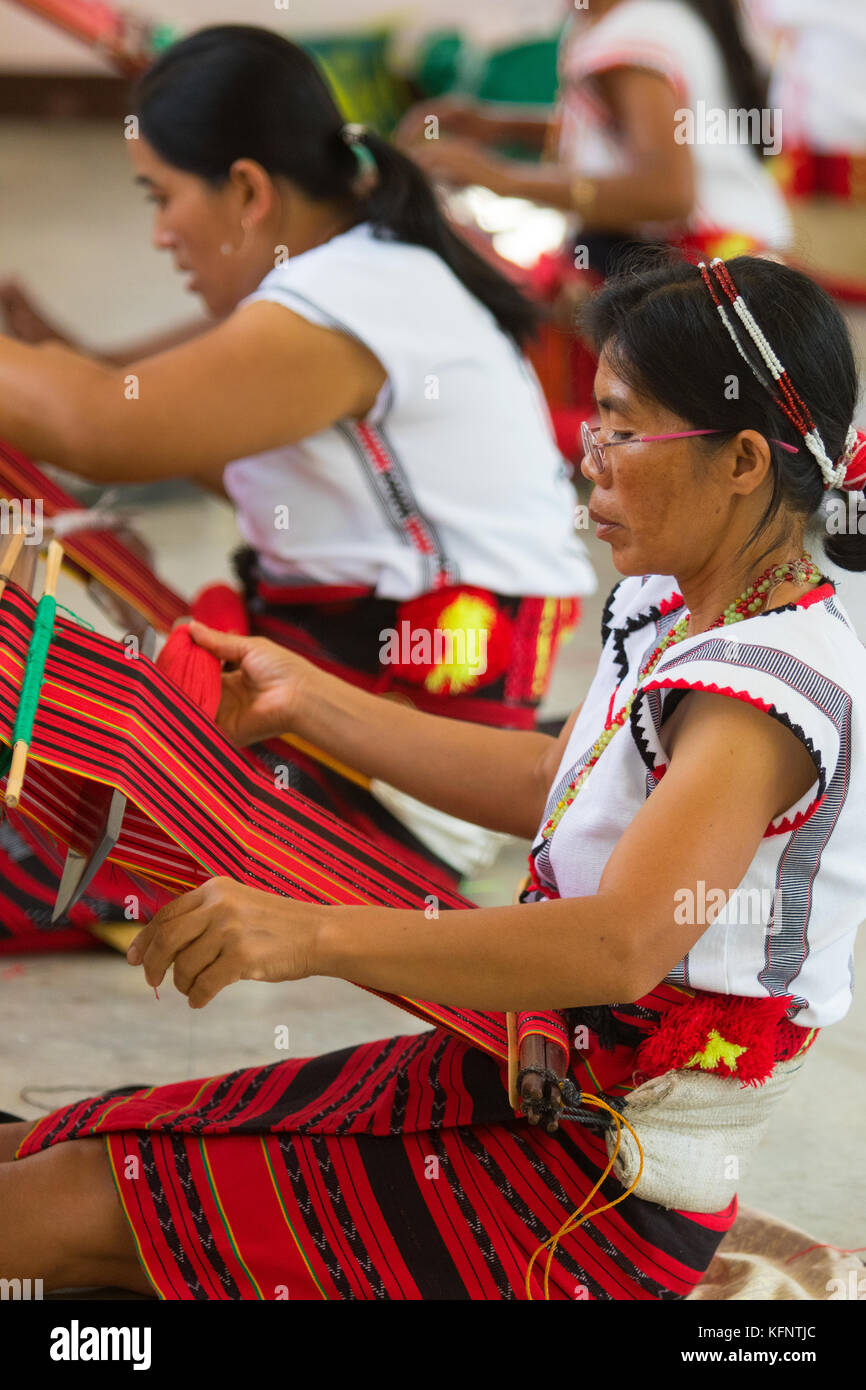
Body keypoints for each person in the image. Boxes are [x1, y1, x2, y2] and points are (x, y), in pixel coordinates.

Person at [2, 251, 864, 1299]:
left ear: (738, 461)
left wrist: (308, 930)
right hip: (530, 1070)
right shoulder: (682, 607)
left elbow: (618, 943)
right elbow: (560, 776)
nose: (588, 457)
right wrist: (307, 700)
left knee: (52, 1208)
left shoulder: (757, 692)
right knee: (59, 1144)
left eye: (623, 427)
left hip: (596, 1183)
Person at [0, 26, 594, 943]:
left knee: (34, 830)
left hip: (386, 776)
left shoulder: (350, 301)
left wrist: (62, 386)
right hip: (356, 712)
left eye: (162, 198)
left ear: (247, 191)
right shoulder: (366, 273)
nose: (160, 234)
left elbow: (99, 426)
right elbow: (154, 420)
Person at [398, 0, 792, 268]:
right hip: (735, 253)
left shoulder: (631, 38)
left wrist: (501, 179)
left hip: (708, 265)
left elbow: (668, 194)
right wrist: (498, 127)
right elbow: (615, 137)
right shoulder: (639, 16)